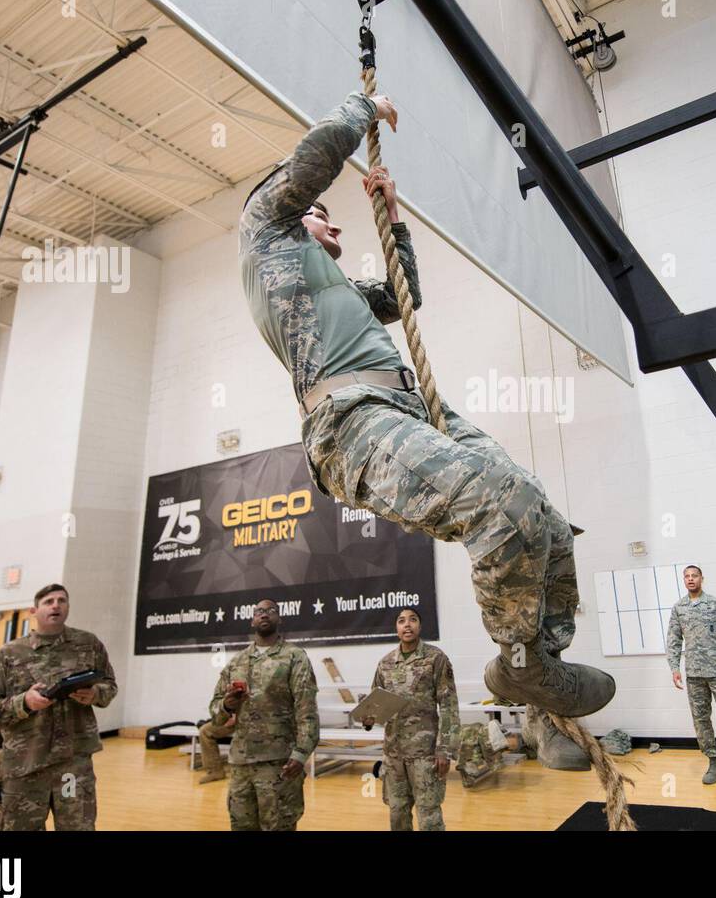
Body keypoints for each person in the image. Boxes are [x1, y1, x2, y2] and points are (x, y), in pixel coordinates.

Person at [238, 91, 613, 719]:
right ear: (292, 215)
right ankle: (519, 660)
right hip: (352, 421)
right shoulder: (265, 238)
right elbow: (312, 161)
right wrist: (364, 106)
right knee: (497, 503)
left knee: (537, 507)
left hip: (411, 406)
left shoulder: (345, 290)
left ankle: (540, 669)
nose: (332, 225)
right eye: (320, 216)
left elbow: (403, 298)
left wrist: (395, 218)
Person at [0, 583, 117, 830]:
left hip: (73, 767)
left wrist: (95, 694)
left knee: (77, 828)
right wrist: (23, 703)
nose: (56, 605)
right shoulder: (10, 654)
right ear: (33, 611)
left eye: (62, 600)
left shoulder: (88, 644)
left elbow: (109, 686)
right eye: (49, 601)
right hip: (24, 767)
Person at [207, 599, 318, 830]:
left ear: (279, 618)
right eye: (259, 611)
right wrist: (227, 705)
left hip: (278, 763)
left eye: (270, 611)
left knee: (278, 825)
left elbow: (306, 711)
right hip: (241, 764)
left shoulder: (294, 657)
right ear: (252, 620)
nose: (264, 614)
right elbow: (215, 712)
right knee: (241, 826)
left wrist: (300, 753)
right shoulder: (237, 661)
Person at [364, 608, 459, 830]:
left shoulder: (436, 658)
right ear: (396, 629)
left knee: (429, 816)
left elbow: (449, 706)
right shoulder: (385, 663)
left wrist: (445, 750)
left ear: (420, 626)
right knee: (397, 814)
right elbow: (374, 703)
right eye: (401, 621)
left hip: (425, 755)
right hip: (394, 754)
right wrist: (368, 718)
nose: (407, 625)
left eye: (413, 620)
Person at [666, 565, 716, 787]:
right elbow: (673, 640)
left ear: (702, 579)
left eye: (695, 576)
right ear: (684, 580)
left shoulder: (715, 604)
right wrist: (674, 668)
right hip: (694, 675)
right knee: (701, 721)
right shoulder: (679, 608)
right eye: (687, 576)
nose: (691, 579)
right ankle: (714, 763)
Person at [196, 717, 234, 784]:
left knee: (205, 731)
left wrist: (235, 718)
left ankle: (215, 771)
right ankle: (215, 770)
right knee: (204, 728)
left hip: (245, 719)